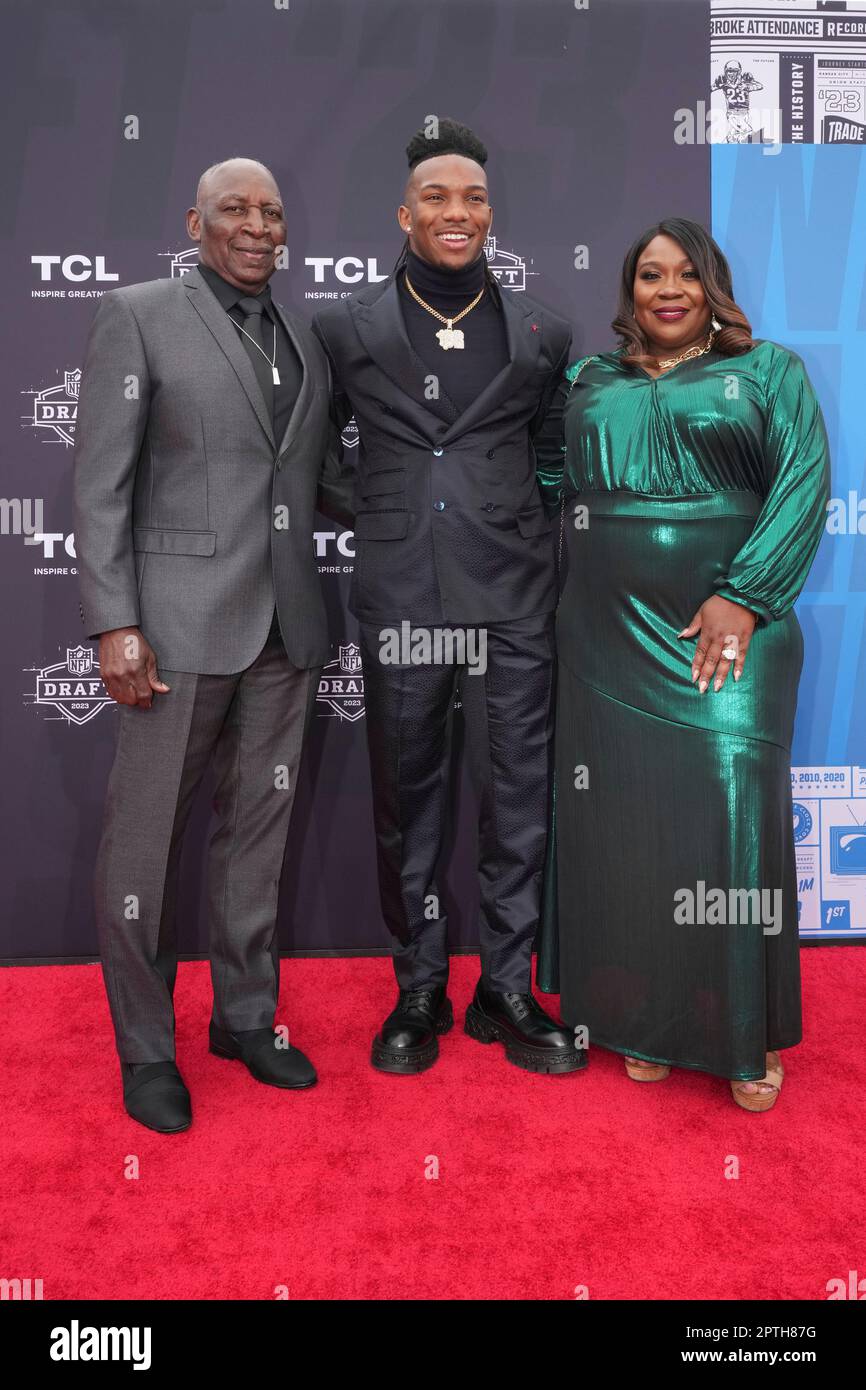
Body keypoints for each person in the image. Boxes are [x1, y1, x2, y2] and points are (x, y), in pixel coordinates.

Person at [535, 217, 830, 1111]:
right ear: (628, 291)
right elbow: (549, 480)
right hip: (603, 632)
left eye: (686, 275)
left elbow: (803, 481)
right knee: (629, 827)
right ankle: (647, 1018)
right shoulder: (588, 378)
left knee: (729, 816)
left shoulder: (769, 371)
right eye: (650, 275)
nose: (668, 289)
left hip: (729, 627)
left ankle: (741, 1032)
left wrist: (742, 595)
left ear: (713, 285)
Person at [74, 158, 339, 1132]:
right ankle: (147, 1048)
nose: (258, 225)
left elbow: (308, 479)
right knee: (145, 849)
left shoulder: (303, 334)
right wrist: (114, 620)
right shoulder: (139, 313)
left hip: (285, 625)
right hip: (174, 628)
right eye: (236, 209)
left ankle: (244, 1018)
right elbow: (101, 483)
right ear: (195, 221)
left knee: (253, 845)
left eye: (271, 210)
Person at [313, 119, 584, 1076]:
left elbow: (553, 458)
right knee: (409, 793)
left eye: (471, 198)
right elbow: (310, 456)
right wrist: (392, 511)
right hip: (403, 595)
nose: (455, 212)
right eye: (437, 198)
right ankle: (420, 986)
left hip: (515, 595)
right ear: (405, 213)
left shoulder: (544, 332)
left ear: (490, 216)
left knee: (517, 795)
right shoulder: (346, 327)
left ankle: (505, 989)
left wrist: (508, 517)